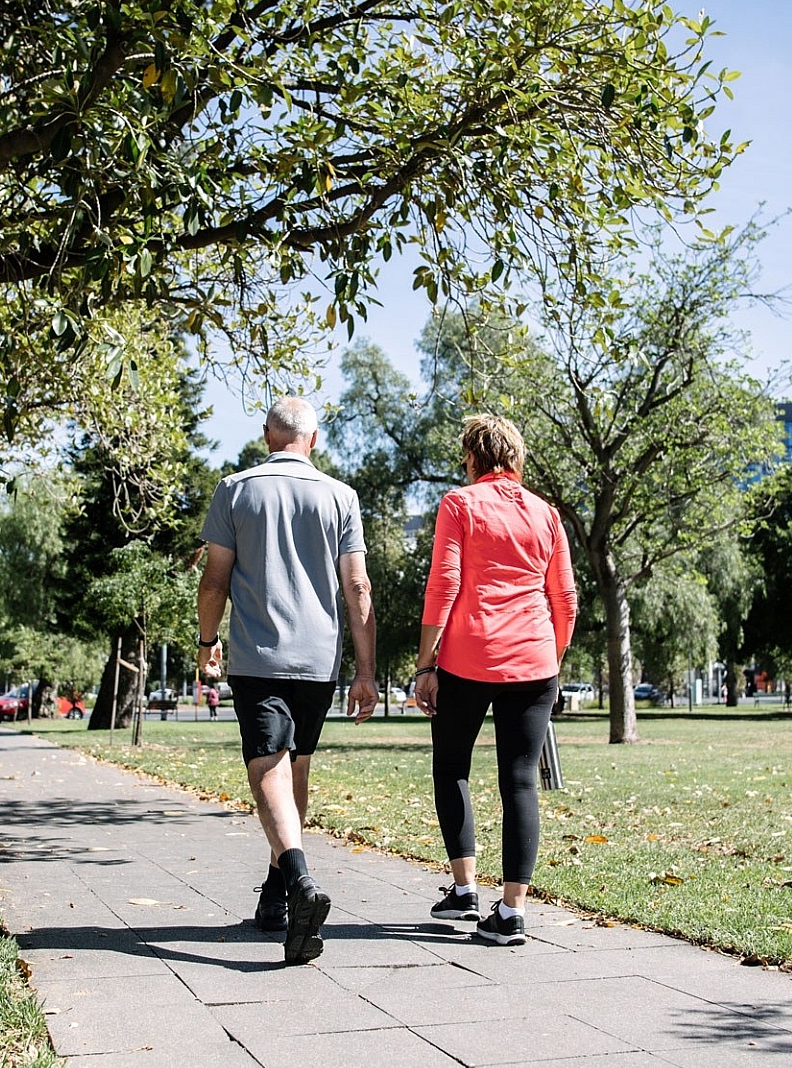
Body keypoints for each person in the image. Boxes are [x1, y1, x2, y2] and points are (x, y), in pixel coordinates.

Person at [198, 397, 378, 963]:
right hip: (319, 660)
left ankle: (298, 880)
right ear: (314, 440)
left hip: (259, 655)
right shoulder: (341, 497)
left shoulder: (235, 489)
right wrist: (366, 671)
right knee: (294, 763)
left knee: (266, 766)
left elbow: (215, 578)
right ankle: (275, 899)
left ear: (266, 436)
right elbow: (359, 589)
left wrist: (207, 641)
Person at [412, 414, 576, 945]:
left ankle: (465, 890)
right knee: (520, 781)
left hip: (467, 659)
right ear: (516, 457)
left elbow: (444, 584)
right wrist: (550, 655)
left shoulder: (459, 504)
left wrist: (425, 664)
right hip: (534, 660)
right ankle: (511, 912)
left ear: (472, 458)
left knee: (452, 767)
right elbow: (565, 599)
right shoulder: (547, 514)